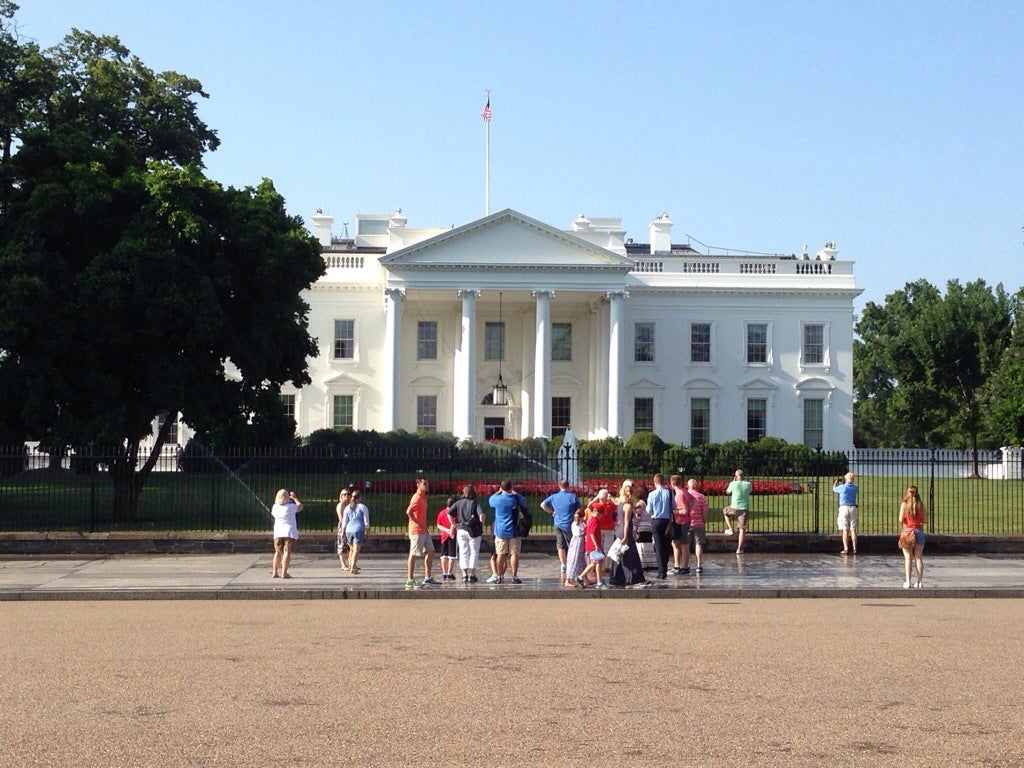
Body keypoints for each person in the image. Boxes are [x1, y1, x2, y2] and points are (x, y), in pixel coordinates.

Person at [608, 480, 646, 588]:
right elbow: (626, 522)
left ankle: (617, 578)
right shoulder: (628, 506)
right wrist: (625, 536)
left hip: (619, 530)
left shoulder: (620, 503)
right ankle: (633, 579)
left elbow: (615, 501)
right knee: (631, 555)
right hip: (625, 531)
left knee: (620, 555)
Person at [488, 479, 527, 584]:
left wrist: (499, 491)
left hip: (501, 530)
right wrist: (514, 491)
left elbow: (490, 500)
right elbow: (523, 501)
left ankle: (500, 576)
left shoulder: (497, 499)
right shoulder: (515, 498)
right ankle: (514, 576)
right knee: (514, 554)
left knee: (500, 554)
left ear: (501, 487)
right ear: (511, 487)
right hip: (514, 530)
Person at [540, 479, 581, 580]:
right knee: (571, 545)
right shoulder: (573, 497)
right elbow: (579, 509)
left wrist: (551, 512)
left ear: (559, 486)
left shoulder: (554, 496)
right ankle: (571, 563)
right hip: (569, 524)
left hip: (558, 523)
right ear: (568, 486)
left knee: (560, 544)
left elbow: (543, 505)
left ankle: (563, 564)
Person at [405, 477, 437, 589]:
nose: (427, 486)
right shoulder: (417, 498)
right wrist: (418, 523)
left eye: (427, 483)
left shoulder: (423, 497)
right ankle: (410, 579)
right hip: (417, 531)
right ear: (418, 485)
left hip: (424, 530)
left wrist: (424, 526)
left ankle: (427, 577)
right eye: (424, 484)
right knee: (413, 554)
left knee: (431, 551)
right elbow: (409, 511)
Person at [450, 485, 485, 583]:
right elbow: (481, 515)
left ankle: (464, 574)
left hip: (461, 529)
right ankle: (472, 574)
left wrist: (454, 524)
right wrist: (481, 523)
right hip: (473, 530)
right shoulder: (475, 503)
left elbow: (449, 513)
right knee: (473, 552)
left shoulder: (458, 503)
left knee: (463, 551)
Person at [646, 473, 675, 579]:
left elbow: (649, 510)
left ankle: (661, 571)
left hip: (656, 520)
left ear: (655, 482)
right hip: (667, 521)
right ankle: (664, 568)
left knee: (658, 546)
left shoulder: (652, 494)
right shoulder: (670, 492)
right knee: (667, 545)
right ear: (664, 482)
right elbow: (673, 506)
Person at [575, 501, 609, 589]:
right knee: (598, 563)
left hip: (591, 546)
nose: (601, 516)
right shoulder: (594, 521)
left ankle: (580, 577)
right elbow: (592, 534)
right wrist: (596, 545)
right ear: (597, 512)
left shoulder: (591, 519)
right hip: (593, 546)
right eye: (601, 514)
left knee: (594, 563)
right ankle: (599, 582)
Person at [270, 488, 302, 579]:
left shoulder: (275, 507)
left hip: (278, 532)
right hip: (289, 532)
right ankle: (284, 572)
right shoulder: (290, 507)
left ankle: (275, 572)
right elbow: (300, 507)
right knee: (286, 552)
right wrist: (295, 498)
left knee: (277, 552)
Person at [900, 485, 927, 588]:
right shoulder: (920, 505)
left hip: (907, 531)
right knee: (918, 557)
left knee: (908, 558)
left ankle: (908, 581)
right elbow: (925, 520)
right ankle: (920, 582)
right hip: (918, 531)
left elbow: (900, 519)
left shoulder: (904, 504)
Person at [723, 469, 752, 554]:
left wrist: (733, 482)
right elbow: (750, 491)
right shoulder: (748, 484)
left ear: (735, 476)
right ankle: (739, 549)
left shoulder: (733, 484)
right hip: (744, 509)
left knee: (725, 511)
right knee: (742, 529)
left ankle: (730, 529)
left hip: (734, 507)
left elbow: (727, 492)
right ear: (743, 476)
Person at [341, 488, 370, 574]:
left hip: (349, 530)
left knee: (351, 549)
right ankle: (353, 567)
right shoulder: (362, 507)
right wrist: (367, 531)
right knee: (356, 550)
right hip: (358, 530)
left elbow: (344, 521)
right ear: (360, 497)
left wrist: (343, 532)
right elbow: (366, 521)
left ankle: (350, 564)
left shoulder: (347, 508)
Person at [670, 474, 692, 575]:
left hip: (681, 522)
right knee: (676, 543)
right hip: (683, 521)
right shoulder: (685, 491)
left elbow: (684, 510)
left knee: (683, 544)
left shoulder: (679, 495)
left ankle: (684, 566)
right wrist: (689, 511)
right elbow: (693, 502)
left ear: (672, 483)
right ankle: (677, 565)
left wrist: (673, 511)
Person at [685, 478, 708, 574]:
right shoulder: (701, 497)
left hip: (687, 523)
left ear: (688, 486)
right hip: (698, 523)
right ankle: (699, 565)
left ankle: (686, 565)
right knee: (698, 544)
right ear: (697, 486)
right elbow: (705, 511)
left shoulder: (685, 496)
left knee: (686, 545)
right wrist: (704, 520)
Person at [833, 472, 859, 555]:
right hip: (852, 508)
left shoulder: (842, 487)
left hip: (844, 508)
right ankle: (854, 548)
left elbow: (834, 489)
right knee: (853, 529)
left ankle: (846, 548)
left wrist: (836, 482)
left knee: (845, 529)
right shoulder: (855, 487)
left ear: (846, 479)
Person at [563, 507, 587, 587]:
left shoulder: (575, 523)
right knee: (574, 560)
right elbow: (581, 532)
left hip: (577, 541)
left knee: (581, 560)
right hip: (578, 542)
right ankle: (568, 580)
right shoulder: (580, 524)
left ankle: (584, 578)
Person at [437, 496, 458, 581]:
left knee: (444, 555)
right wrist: (451, 531)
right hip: (452, 535)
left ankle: (444, 573)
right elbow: (454, 523)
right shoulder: (455, 513)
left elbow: (438, 525)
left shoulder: (441, 513)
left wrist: (446, 530)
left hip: (444, 536)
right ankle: (449, 572)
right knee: (452, 555)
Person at [335, 487, 352, 570]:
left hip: (350, 526)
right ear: (341, 496)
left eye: (348, 494)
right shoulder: (340, 505)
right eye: (344, 494)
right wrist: (344, 528)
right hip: (343, 526)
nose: (346, 496)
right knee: (342, 546)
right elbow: (341, 518)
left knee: (350, 546)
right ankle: (343, 564)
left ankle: (351, 563)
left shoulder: (351, 505)